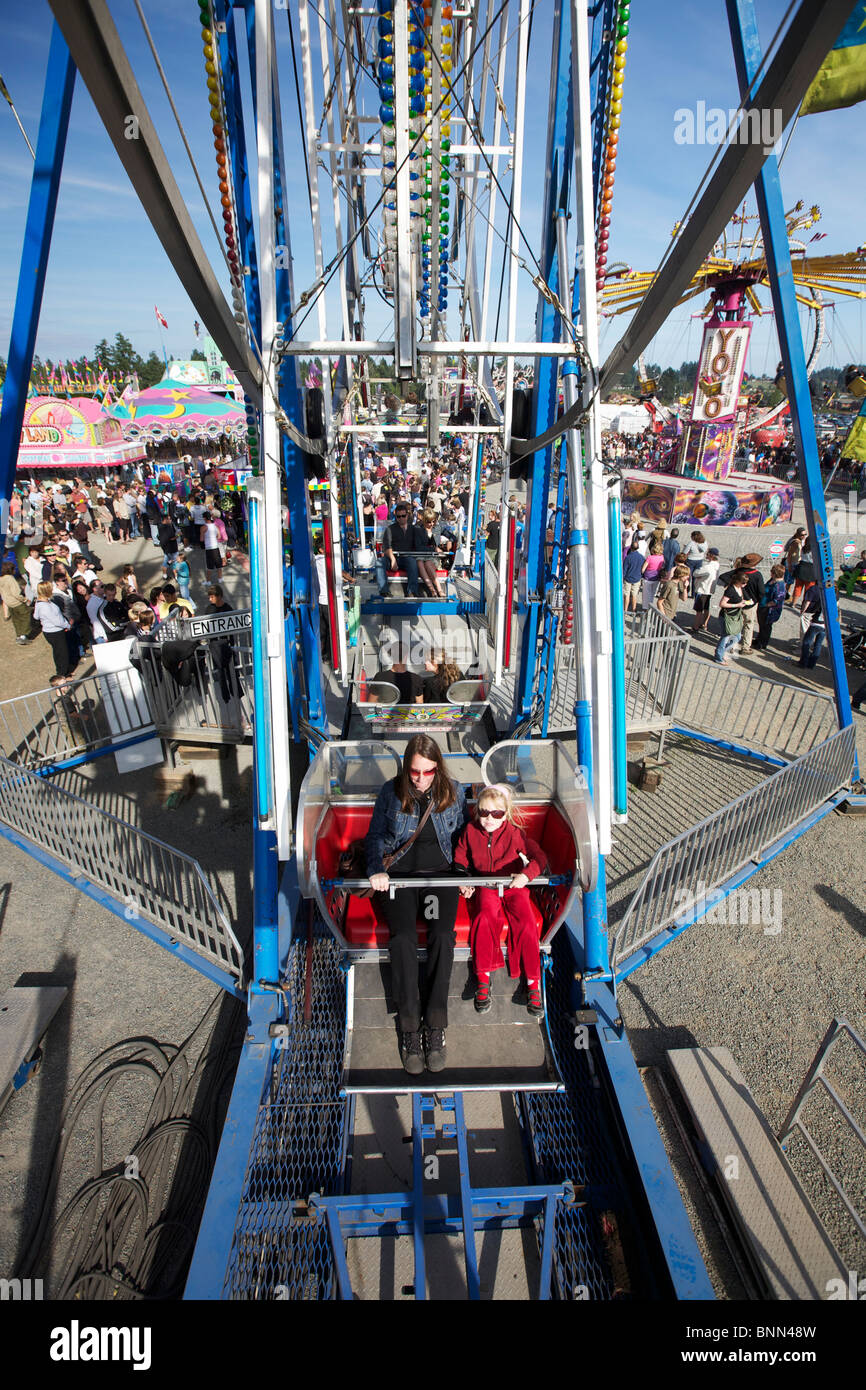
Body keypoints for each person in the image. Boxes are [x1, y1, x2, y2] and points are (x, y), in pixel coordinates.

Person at [365, 735, 468, 1074]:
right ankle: (410, 1027)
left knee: (441, 935)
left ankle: (435, 1025)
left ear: (437, 767)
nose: (421, 779)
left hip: (439, 880)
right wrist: (378, 869)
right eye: (415, 772)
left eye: (428, 772)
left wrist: (466, 874)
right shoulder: (390, 792)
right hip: (401, 881)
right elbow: (376, 836)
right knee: (403, 938)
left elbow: (464, 837)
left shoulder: (451, 791)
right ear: (406, 766)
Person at [454, 783, 547, 1018]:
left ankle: (533, 982)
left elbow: (539, 858)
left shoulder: (516, 834)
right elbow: (460, 858)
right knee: (484, 918)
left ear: (505, 813)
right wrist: (463, 880)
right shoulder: (471, 832)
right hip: (486, 883)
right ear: (477, 812)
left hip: (513, 884)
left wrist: (526, 875)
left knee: (525, 922)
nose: (489, 819)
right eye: (484, 812)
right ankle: (483, 978)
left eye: (496, 813)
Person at [376, 503, 421, 598]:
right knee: (379, 562)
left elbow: (419, 544)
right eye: (398, 516)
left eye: (403, 516)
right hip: (393, 556)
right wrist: (393, 559)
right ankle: (384, 591)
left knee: (412, 562)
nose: (401, 518)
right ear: (396, 517)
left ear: (407, 516)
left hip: (407, 557)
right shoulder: (390, 529)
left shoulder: (413, 529)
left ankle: (412, 591)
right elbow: (386, 546)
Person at [34, 579, 74, 676]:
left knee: (58, 652)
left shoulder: (41, 602)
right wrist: (68, 625)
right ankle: (63, 674)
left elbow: (36, 616)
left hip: (52, 631)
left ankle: (63, 671)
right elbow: (57, 621)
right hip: (55, 632)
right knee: (62, 654)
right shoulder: (45, 606)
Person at [714, 569, 749, 665]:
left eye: (746, 583)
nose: (745, 585)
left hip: (735, 617)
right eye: (743, 583)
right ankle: (718, 657)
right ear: (738, 581)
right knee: (725, 637)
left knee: (737, 637)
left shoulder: (740, 588)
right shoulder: (730, 590)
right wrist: (737, 605)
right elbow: (722, 603)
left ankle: (720, 651)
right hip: (726, 617)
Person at [753, 564, 787, 651]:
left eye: (772, 572)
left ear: (774, 573)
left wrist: (766, 605)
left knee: (766, 627)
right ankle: (758, 640)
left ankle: (762, 643)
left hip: (769, 610)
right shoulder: (773, 580)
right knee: (762, 625)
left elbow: (776, 601)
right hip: (763, 606)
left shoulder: (780, 586)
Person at [691, 548, 720, 633]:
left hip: (702, 589)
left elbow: (695, 573)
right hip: (709, 590)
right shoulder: (717, 565)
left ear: (710, 555)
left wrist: (698, 575)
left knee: (699, 610)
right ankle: (704, 624)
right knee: (706, 608)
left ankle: (696, 627)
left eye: (707, 554)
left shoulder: (707, 567)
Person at [799, 581, 826, 669]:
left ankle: (803, 663)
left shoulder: (817, 591)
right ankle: (811, 664)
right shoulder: (834, 596)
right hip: (825, 625)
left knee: (806, 642)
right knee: (818, 645)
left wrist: (802, 612)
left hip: (816, 622)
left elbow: (808, 602)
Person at [641, 538, 666, 609]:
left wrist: (642, 574)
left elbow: (643, 569)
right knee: (652, 593)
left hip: (648, 577)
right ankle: (650, 606)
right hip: (656, 577)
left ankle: (645, 607)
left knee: (646, 593)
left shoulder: (649, 557)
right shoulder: (662, 558)